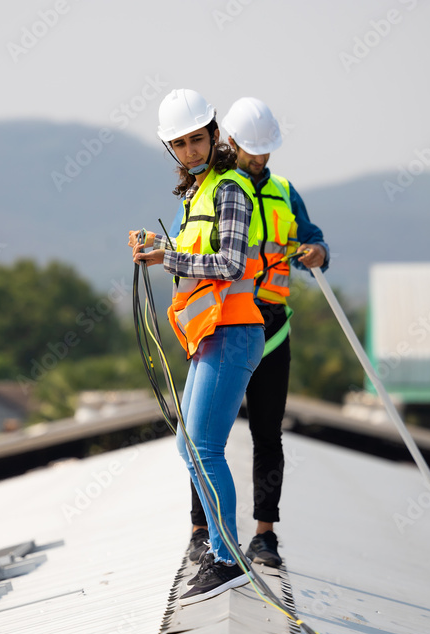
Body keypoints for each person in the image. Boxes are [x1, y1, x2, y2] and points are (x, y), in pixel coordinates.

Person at [129, 88, 264, 605]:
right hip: (209, 336)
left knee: (203, 448)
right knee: (190, 447)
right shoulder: (197, 194)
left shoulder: (228, 189)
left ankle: (228, 558)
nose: (189, 150)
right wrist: (157, 248)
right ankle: (217, 548)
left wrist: (167, 259)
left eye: (196, 139)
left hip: (232, 333)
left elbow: (229, 265)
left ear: (213, 135)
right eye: (179, 144)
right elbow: (192, 255)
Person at [185, 97, 329, 568]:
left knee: (267, 433)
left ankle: (264, 536)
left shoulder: (286, 191)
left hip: (272, 324)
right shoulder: (219, 187)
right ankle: (201, 528)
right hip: (223, 319)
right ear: (230, 142)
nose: (260, 159)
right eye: (252, 151)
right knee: (203, 433)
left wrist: (316, 253)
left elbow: (314, 238)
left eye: (266, 151)